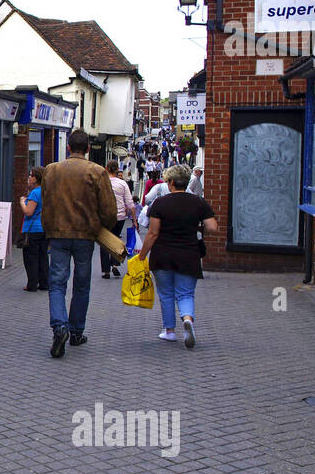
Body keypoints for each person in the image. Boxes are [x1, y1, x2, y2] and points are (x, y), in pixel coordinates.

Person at [41, 129, 116, 359]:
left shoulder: (51, 170)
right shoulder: (97, 171)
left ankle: (59, 326)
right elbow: (109, 209)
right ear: (87, 148)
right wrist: (103, 227)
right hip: (85, 235)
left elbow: (47, 202)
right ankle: (75, 331)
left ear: (69, 147)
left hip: (59, 234)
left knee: (57, 283)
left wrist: (48, 230)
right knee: (82, 285)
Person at [136, 163, 218, 349]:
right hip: (189, 254)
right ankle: (188, 320)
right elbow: (212, 227)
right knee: (186, 293)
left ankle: (169, 332)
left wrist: (142, 255)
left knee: (166, 294)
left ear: (171, 182)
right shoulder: (198, 202)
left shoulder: (160, 203)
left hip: (162, 255)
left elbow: (153, 233)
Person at [100, 160, 136, 279]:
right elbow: (130, 202)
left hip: (105, 216)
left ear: (106, 168)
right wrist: (134, 219)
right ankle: (115, 264)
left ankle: (106, 271)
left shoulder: (101, 183)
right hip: (120, 216)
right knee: (115, 240)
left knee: (104, 242)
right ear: (117, 170)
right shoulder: (122, 184)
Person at [19, 167, 49, 291]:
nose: (28, 178)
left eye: (30, 175)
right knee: (43, 257)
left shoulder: (35, 193)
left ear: (35, 178)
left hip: (32, 230)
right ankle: (44, 283)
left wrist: (22, 201)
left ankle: (32, 284)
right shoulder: (46, 191)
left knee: (31, 258)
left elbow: (28, 211)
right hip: (43, 228)